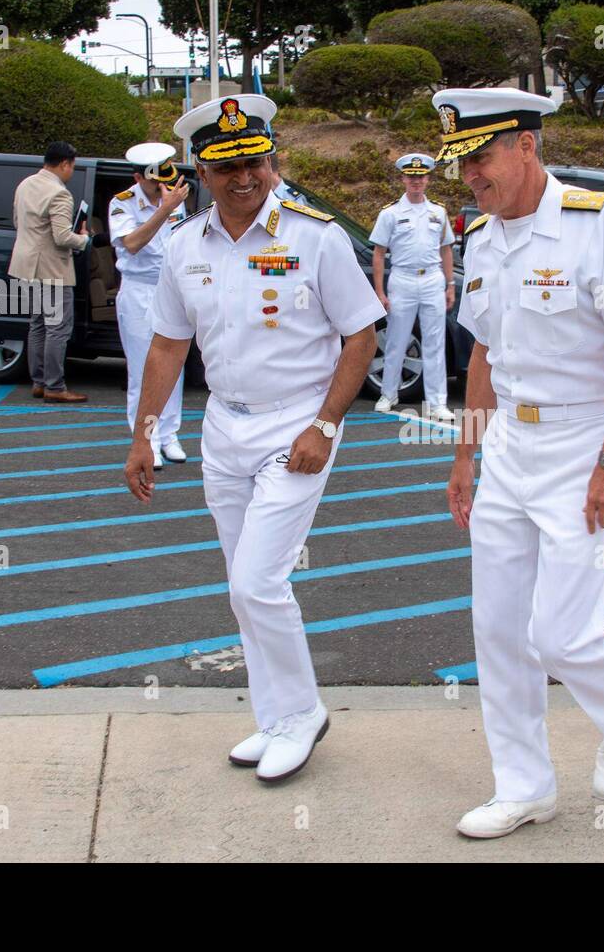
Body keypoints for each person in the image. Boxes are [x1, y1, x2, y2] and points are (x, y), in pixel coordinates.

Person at [124, 94, 381, 779]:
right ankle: (274, 717)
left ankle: (303, 713)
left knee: (259, 581)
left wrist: (326, 423)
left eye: (256, 161)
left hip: (296, 424)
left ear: (272, 159)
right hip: (222, 427)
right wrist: (145, 434)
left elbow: (361, 336)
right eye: (228, 166)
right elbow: (166, 350)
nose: (246, 176)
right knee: (242, 585)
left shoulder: (314, 236)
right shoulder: (184, 247)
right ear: (201, 173)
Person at [441, 87, 604, 839]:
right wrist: (466, 452)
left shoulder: (594, 222)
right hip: (506, 447)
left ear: (527, 146)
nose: (471, 176)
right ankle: (523, 784)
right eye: (462, 164)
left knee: (562, 634)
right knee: (499, 628)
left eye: (482, 157)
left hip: (581, 446)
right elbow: (484, 353)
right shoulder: (481, 239)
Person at [109, 142, 191, 469]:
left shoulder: (173, 200)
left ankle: (170, 434)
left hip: (170, 288)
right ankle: (148, 438)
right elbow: (131, 243)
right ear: (137, 177)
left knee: (175, 364)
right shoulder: (123, 203)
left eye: (164, 180)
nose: (161, 187)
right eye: (153, 182)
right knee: (144, 369)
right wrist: (162, 210)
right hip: (139, 290)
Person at [368, 153, 456, 421]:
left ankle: (437, 402)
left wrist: (450, 284)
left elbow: (446, 250)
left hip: (432, 279)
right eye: (411, 177)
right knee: (396, 340)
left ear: (428, 179)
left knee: (435, 342)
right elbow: (379, 253)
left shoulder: (438, 212)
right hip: (402, 279)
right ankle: (388, 394)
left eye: (421, 177)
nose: (416, 182)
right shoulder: (390, 213)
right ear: (403, 179)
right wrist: (380, 292)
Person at [9, 140, 92, 403]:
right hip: (51, 269)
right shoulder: (59, 193)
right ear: (65, 164)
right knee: (57, 329)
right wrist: (84, 238)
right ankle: (55, 387)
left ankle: (39, 382)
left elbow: (16, 222)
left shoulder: (25, 184)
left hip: (25, 266)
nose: (71, 173)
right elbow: (61, 236)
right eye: (72, 167)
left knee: (37, 326)